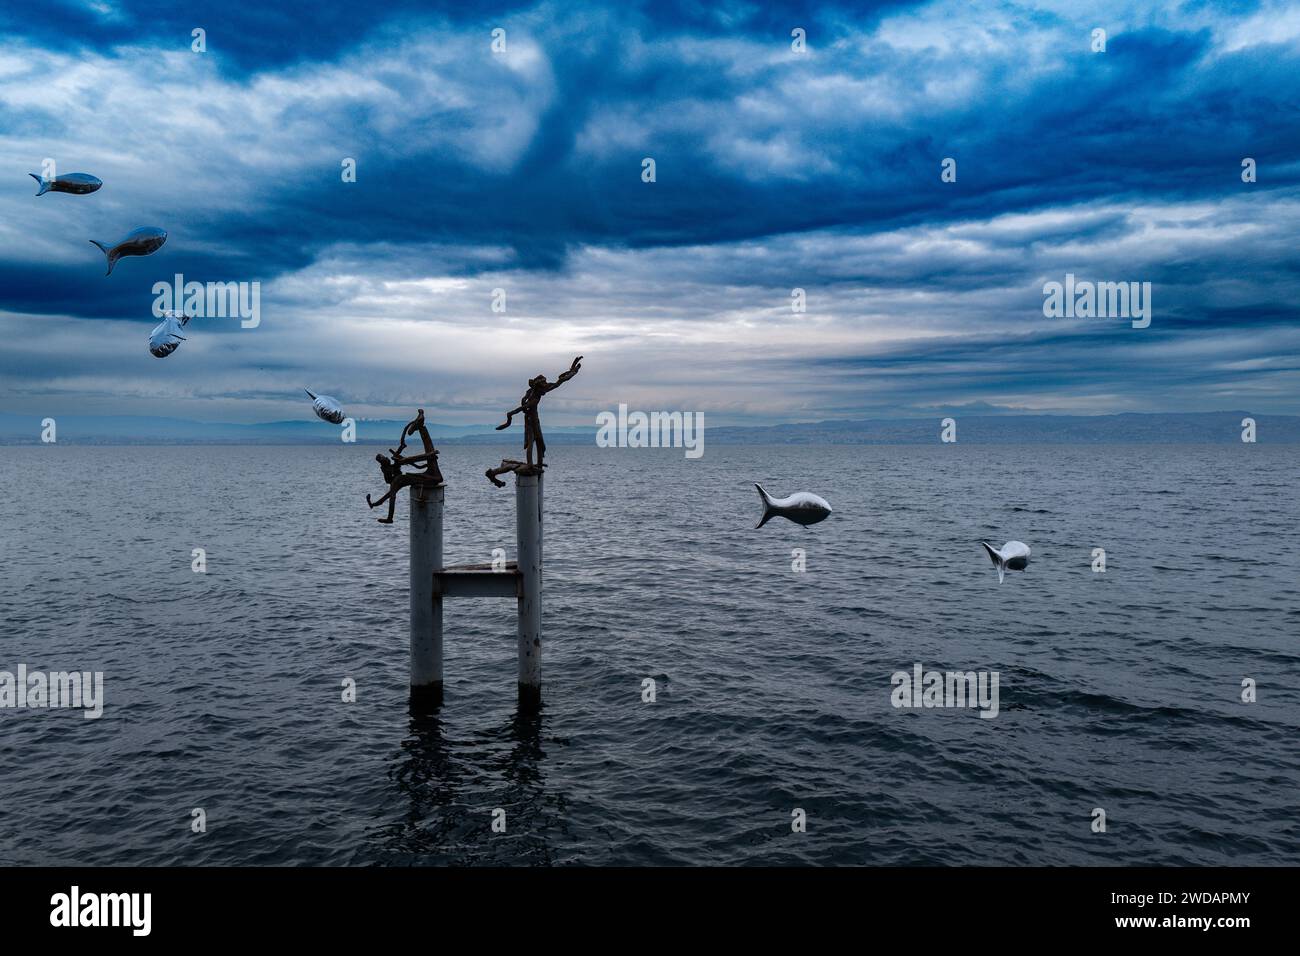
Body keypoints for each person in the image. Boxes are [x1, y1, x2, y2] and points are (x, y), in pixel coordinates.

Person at [486, 356, 581, 485]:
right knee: (532, 441)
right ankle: (530, 464)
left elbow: (560, 381)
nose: (545, 389)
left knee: (539, 442)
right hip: (531, 420)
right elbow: (524, 405)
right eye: (543, 385)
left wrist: (572, 370)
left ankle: (538, 463)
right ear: (539, 386)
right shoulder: (534, 396)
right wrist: (512, 415)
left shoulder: (532, 392)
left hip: (533, 419)